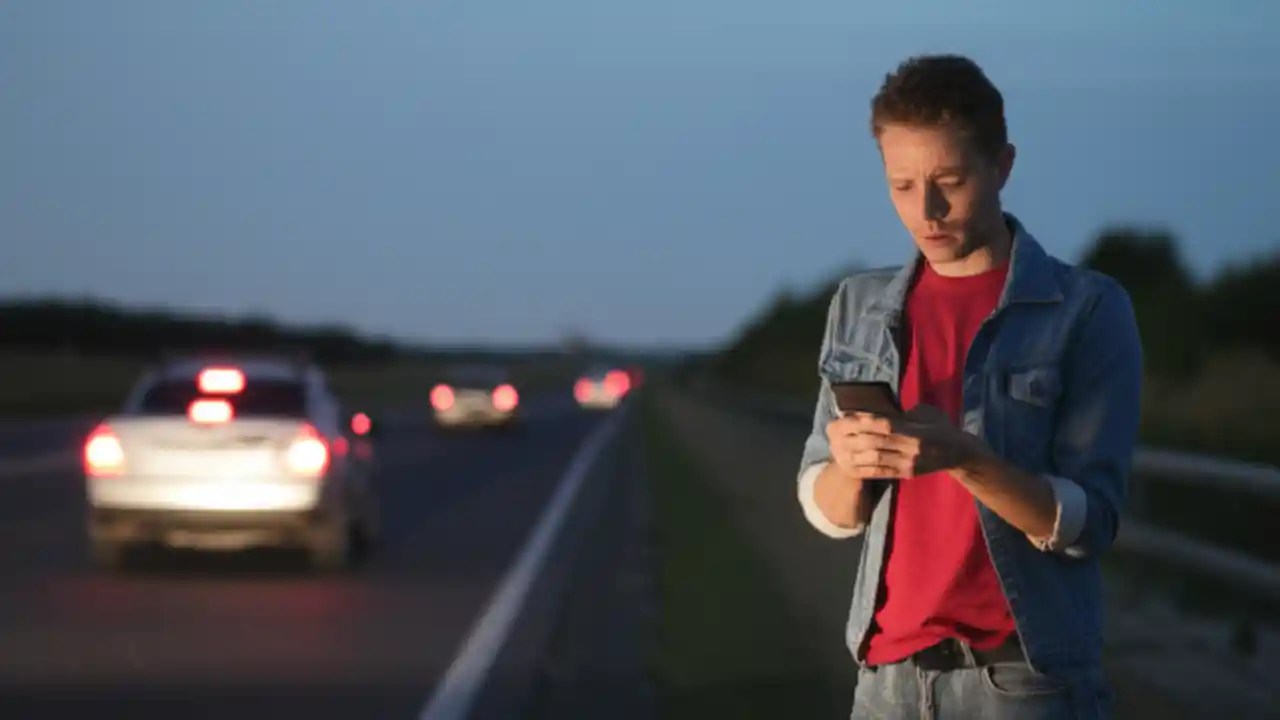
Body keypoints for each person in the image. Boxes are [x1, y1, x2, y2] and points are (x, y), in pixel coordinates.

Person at [795, 54, 1142, 719]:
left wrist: (966, 458)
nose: (925, 210)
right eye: (901, 185)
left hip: (1021, 683)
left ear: (1003, 165)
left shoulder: (1087, 309)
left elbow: (1091, 523)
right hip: (884, 683)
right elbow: (829, 509)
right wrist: (848, 467)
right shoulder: (857, 305)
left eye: (948, 181)